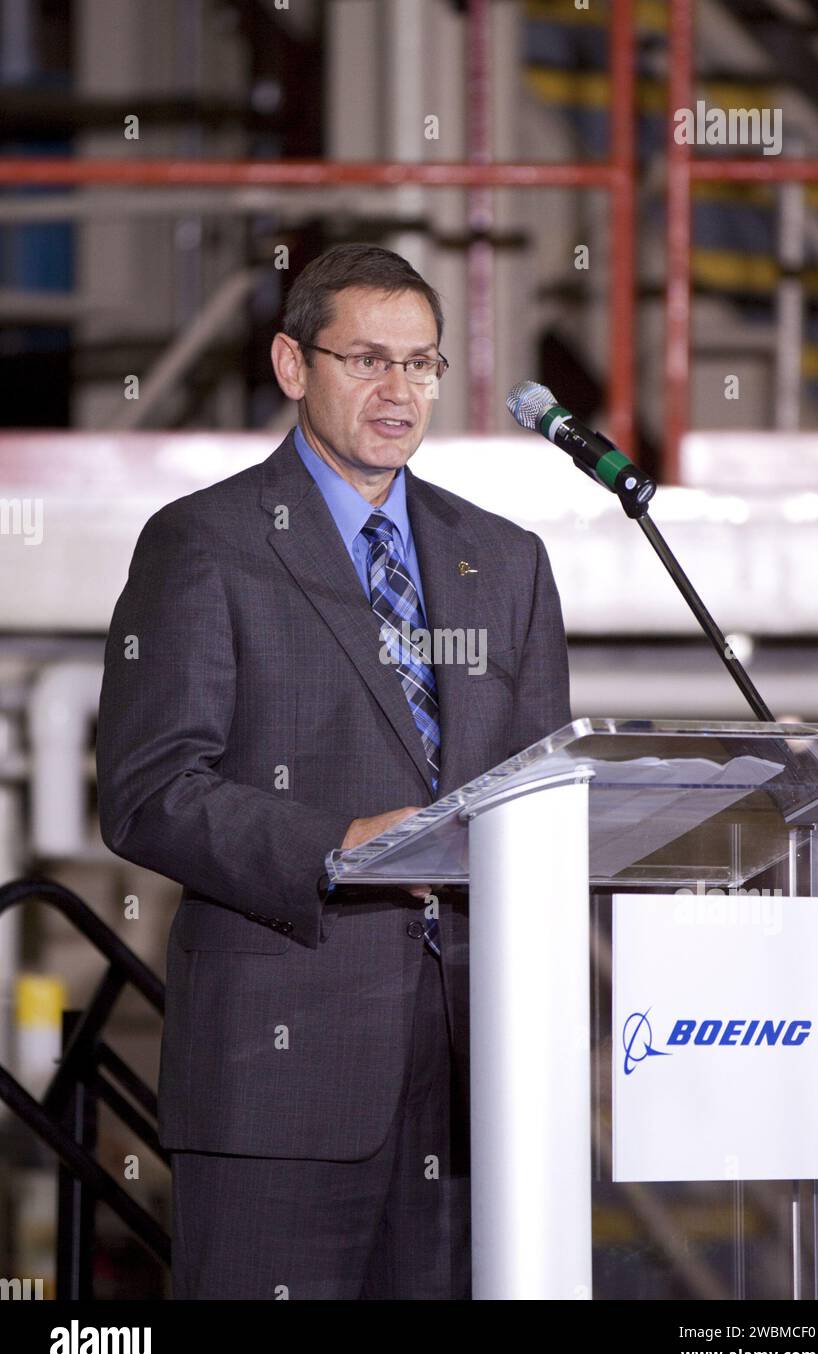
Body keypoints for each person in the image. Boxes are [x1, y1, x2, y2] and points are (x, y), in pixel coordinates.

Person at [95, 242, 571, 1300]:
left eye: (421, 363)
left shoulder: (503, 559)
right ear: (290, 364)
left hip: (475, 1080)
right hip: (283, 1074)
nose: (398, 389)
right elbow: (147, 790)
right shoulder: (204, 545)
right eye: (365, 359)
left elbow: (543, 791)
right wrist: (337, 847)